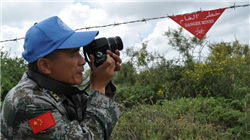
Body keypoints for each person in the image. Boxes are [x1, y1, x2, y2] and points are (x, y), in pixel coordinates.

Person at [0, 16, 122, 140]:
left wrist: (104, 78)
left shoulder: (59, 87)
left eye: (79, 52)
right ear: (45, 66)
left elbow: (94, 116)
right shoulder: (28, 104)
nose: (82, 61)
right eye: (73, 53)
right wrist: (98, 87)